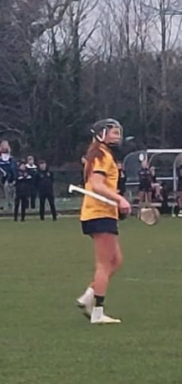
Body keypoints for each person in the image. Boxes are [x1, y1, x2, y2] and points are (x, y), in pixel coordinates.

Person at [75, 118, 131, 325]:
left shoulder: (102, 154)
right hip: (99, 213)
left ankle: (89, 295)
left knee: (115, 261)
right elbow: (96, 185)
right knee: (104, 263)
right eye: (113, 132)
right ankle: (97, 312)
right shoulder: (100, 154)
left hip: (103, 212)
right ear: (101, 133)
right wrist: (120, 199)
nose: (117, 136)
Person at [0, 141, 15, 210]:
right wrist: (4, 173)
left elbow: (12, 166)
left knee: (11, 191)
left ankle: (11, 204)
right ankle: (7, 205)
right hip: (4, 176)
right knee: (6, 190)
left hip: (10, 176)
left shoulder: (10, 157)